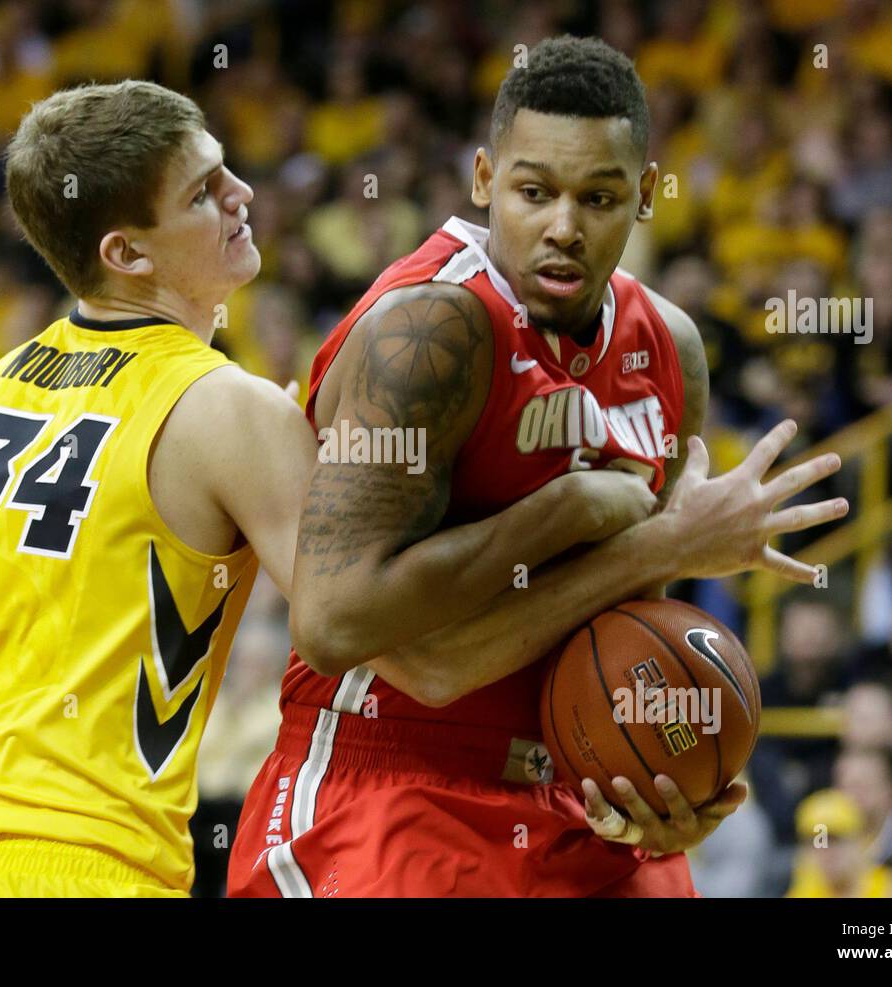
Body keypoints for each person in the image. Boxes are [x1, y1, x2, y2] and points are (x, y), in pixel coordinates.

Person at [0, 81, 622, 898]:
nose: (242, 194)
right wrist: (587, 516)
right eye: (202, 192)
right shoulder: (224, 409)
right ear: (127, 254)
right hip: (85, 865)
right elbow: (420, 662)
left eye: (224, 169)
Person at [228, 35, 846, 898]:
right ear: (484, 180)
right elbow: (333, 625)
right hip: (394, 778)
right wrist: (599, 521)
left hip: (573, 786)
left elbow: (624, 623)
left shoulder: (671, 348)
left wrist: (665, 783)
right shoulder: (431, 335)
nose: (563, 226)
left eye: (598, 197)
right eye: (533, 191)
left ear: (647, 194)